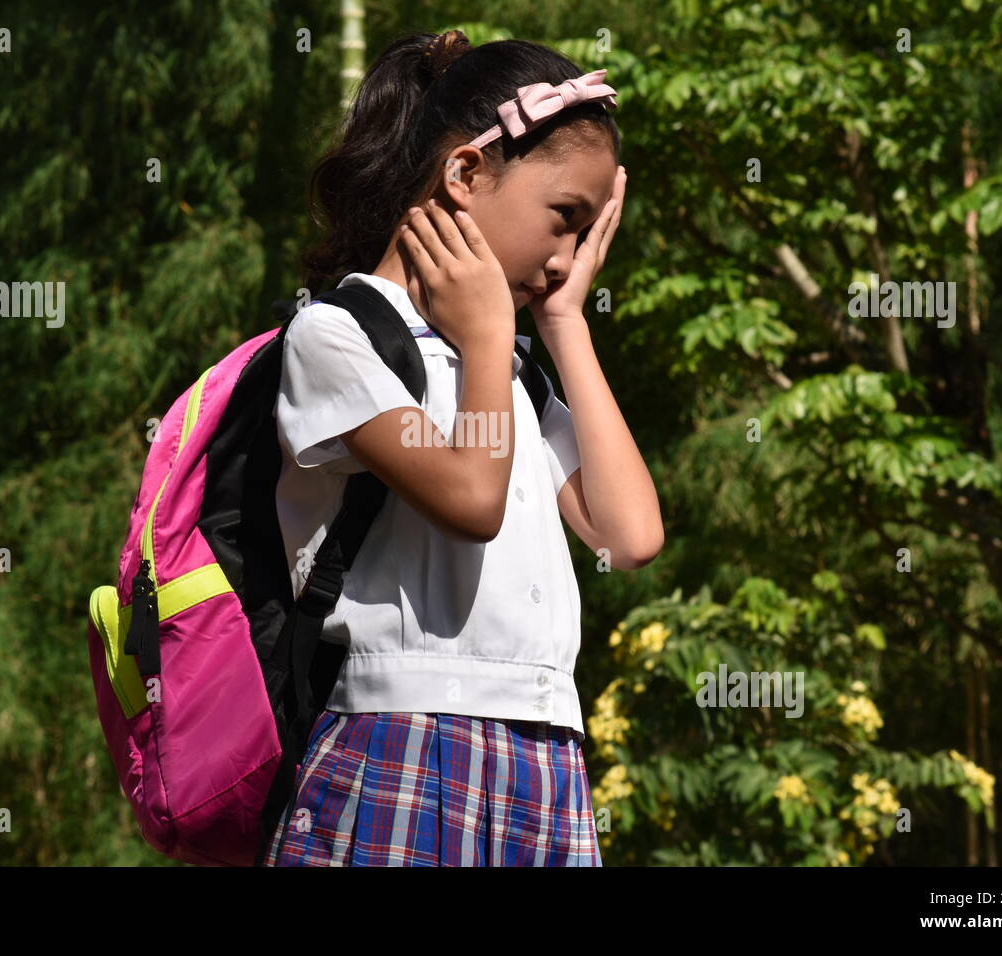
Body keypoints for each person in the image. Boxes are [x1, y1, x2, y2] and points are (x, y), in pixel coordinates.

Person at [260, 28, 662, 866]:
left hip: (546, 758)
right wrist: (488, 338)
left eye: (585, 237)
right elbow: (471, 501)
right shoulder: (338, 336)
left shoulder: (516, 374)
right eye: (564, 220)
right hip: (400, 744)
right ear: (467, 175)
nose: (567, 259)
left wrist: (562, 326)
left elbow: (628, 538)